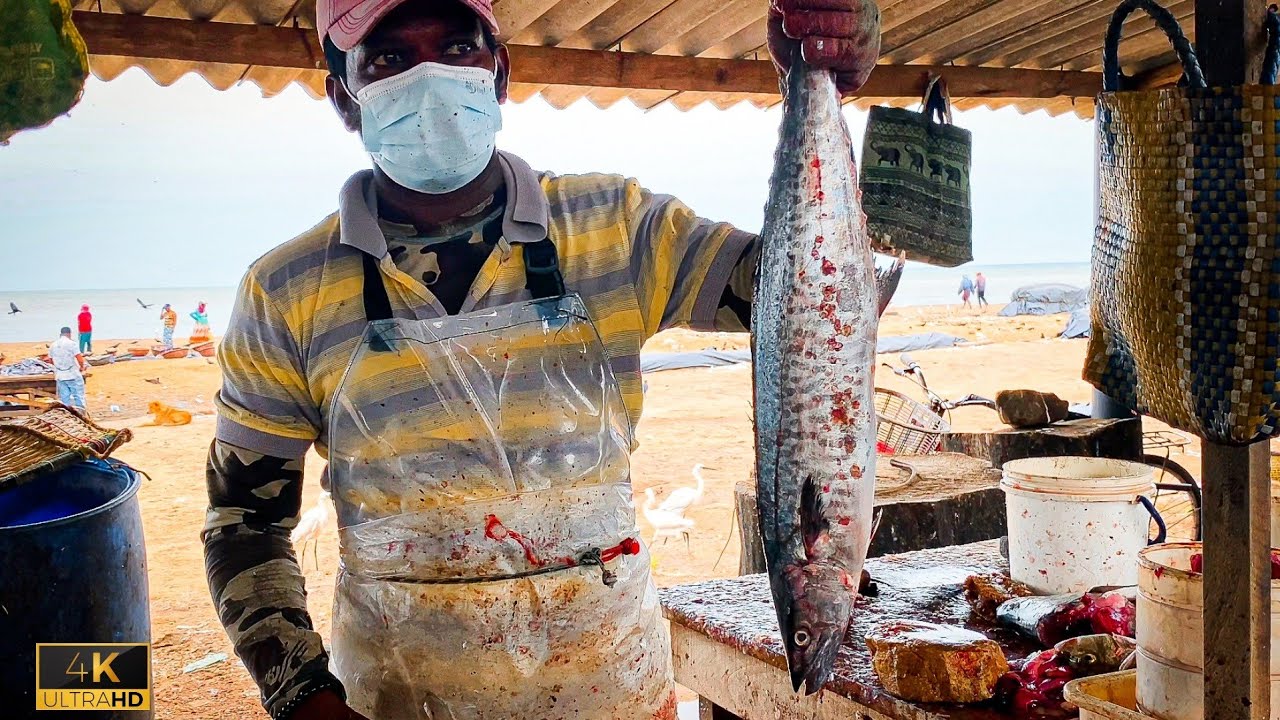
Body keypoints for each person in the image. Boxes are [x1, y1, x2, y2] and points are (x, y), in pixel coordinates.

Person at [203, 1, 881, 719]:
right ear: (344, 94)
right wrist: (303, 696)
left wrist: (823, 78)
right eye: (389, 58)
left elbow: (829, 301)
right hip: (397, 697)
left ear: (500, 72)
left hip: (614, 691)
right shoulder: (284, 291)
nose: (431, 76)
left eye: (459, 46)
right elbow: (244, 526)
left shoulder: (618, 227)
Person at [50, 326, 87, 410]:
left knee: (64, 398)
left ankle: (67, 415)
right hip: (72, 374)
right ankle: (81, 414)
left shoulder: (53, 345)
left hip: (60, 375)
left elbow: (51, 360)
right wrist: (82, 367)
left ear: (60, 334)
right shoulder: (72, 344)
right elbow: (79, 358)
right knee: (78, 396)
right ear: (69, 334)